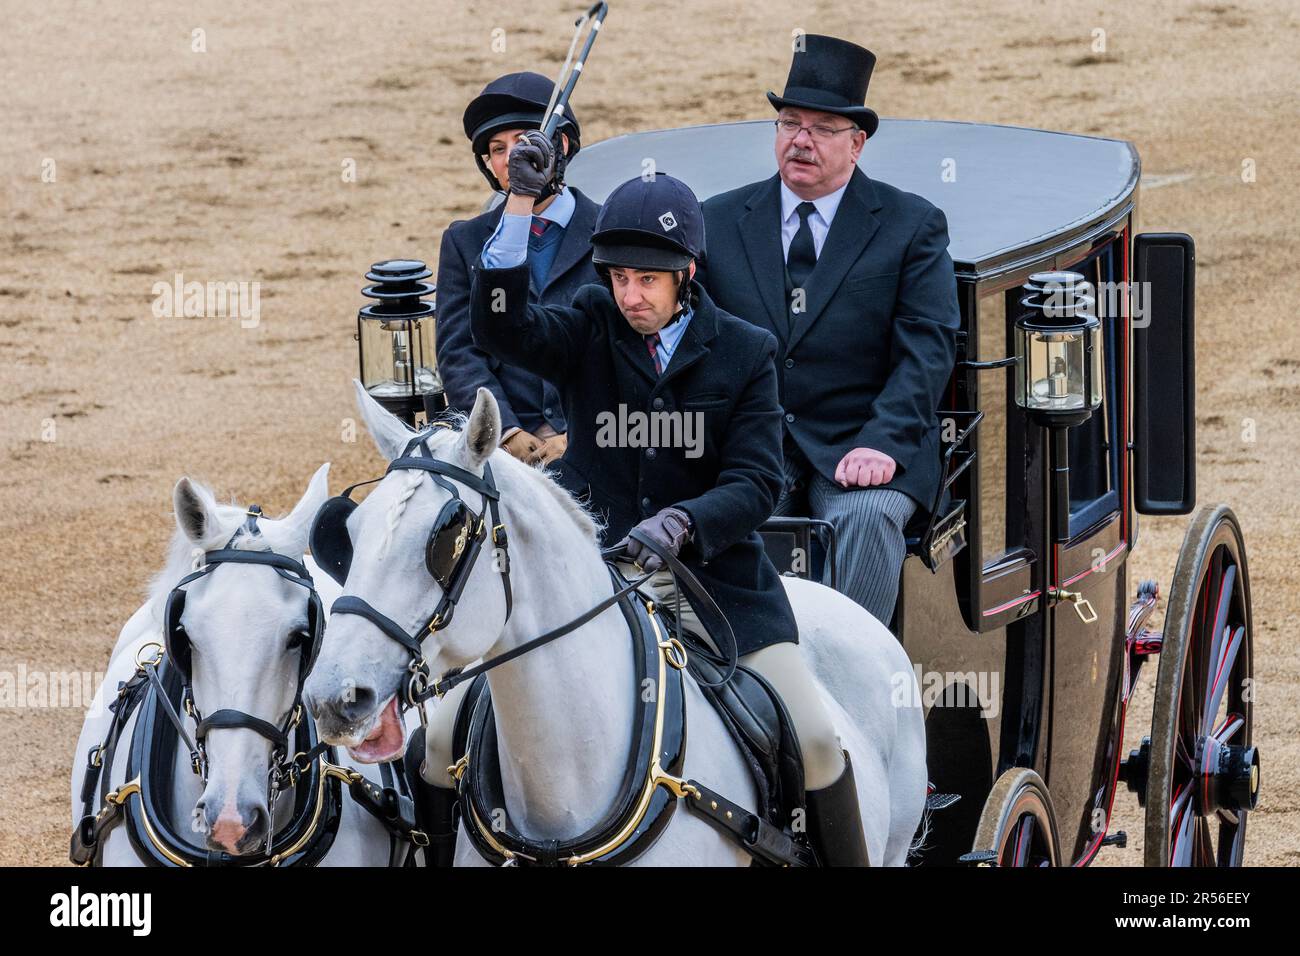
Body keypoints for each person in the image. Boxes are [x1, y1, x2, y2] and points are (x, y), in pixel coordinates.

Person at [463, 144, 872, 865]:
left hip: (714, 587)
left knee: (811, 739)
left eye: (647, 280)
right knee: (443, 736)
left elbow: (757, 482)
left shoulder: (746, 351)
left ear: (687, 274)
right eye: (619, 278)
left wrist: (686, 520)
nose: (631, 297)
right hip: (589, 580)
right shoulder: (590, 323)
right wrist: (519, 208)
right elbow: (502, 328)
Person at [701, 36, 960, 625]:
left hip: (863, 441)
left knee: (864, 519)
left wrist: (883, 443)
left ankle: (853, 688)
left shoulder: (910, 224)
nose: (800, 140)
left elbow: (928, 346)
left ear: (857, 143)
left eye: (821, 127)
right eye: (789, 122)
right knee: (719, 515)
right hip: (754, 442)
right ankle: (731, 687)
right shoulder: (717, 220)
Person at [434, 71, 601, 466]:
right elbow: (459, 352)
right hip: (504, 459)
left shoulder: (610, 230)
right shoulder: (464, 242)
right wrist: (504, 431)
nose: (511, 158)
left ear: (559, 145)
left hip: (600, 447)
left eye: (524, 142)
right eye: (497, 148)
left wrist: (581, 433)